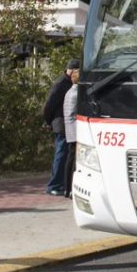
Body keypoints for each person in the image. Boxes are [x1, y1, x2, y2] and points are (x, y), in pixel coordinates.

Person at [43, 59, 80, 196]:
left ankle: (61, 183)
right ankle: (54, 185)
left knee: (64, 155)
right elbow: (49, 105)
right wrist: (49, 121)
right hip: (61, 123)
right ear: (72, 70)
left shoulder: (69, 83)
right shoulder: (61, 84)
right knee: (61, 154)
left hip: (65, 123)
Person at [61, 66, 80, 198]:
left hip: (69, 128)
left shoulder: (69, 92)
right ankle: (71, 188)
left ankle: (67, 188)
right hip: (75, 129)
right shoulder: (77, 93)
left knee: (70, 159)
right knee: (73, 161)